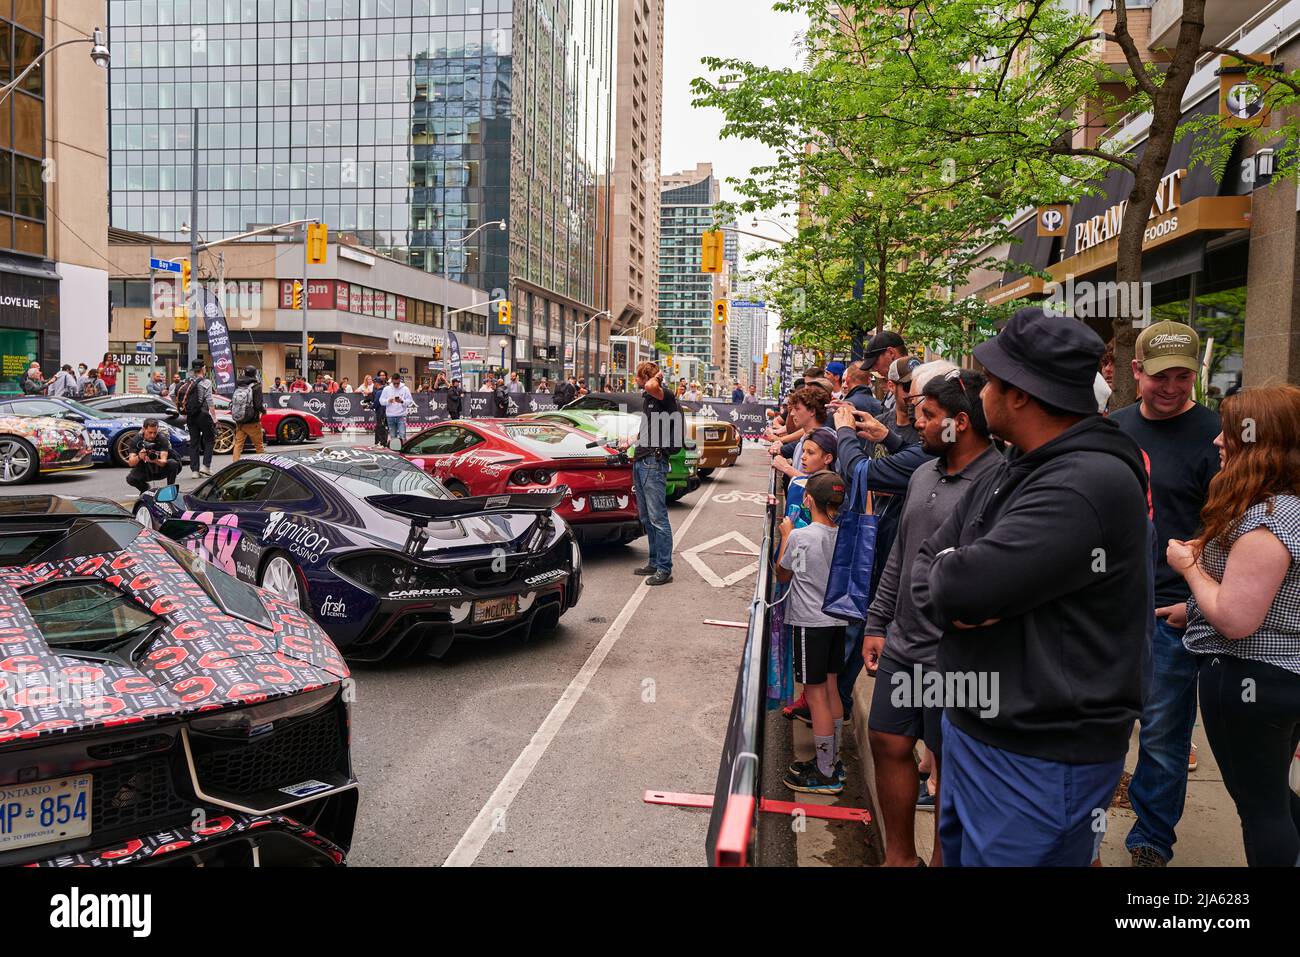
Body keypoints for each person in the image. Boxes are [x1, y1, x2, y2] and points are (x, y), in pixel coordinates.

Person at [914, 306, 1150, 867]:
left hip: (1039, 757)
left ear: (1020, 395)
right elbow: (934, 565)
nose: (982, 392)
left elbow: (960, 588)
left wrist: (968, 581)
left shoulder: (1085, 483)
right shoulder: (1014, 467)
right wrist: (968, 582)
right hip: (977, 731)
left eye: (992, 381)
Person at [863, 368, 1001, 868]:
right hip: (903, 644)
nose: (915, 423)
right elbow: (900, 554)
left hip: (958, 658)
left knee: (949, 767)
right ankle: (900, 858)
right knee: (887, 739)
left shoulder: (999, 482)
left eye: (927, 415)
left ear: (960, 422)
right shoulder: (922, 472)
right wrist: (878, 623)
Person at [1172, 385, 1300, 868]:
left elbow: (1236, 619)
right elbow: (1274, 596)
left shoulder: (1267, 519)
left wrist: (1189, 566)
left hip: (1249, 678)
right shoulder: (1290, 506)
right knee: (1271, 797)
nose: (1218, 442)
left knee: (1261, 810)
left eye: (1231, 432)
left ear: (1261, 441)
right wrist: (1194, 606)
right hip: (1284, 676)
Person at [1111, 320, 1223, 868]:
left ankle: (1151, 841)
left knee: (1163, 737)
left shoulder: (1218, 436)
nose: (1173, 387)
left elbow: (1230, 527)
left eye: (1183, 376)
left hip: (1173, 613)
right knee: (1102, 724)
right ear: (1136, 372)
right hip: (1111, 608)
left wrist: (1196, 602)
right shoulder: (1112, 428)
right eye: (1161, 377)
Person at [778, 470, 849, 795]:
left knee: (816, 694)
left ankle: (825, 773)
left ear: (808, 499)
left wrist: (785, 535)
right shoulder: (843, 534)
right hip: (836, 622)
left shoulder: (802, 536)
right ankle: (832, 760)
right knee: (831, 688)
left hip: (810, 622)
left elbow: (783, 573)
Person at [632, 362, 682, 587]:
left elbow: (653, 384)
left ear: (646, 377)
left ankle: (664, 568)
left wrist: (657, 375)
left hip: (654, 461)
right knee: (646, 518)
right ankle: (653, 562)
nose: (635, 380)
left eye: (638, 376)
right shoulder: (649, 399)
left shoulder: (665, 395)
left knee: (658, 518)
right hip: (642, 459)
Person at [771, 427, 837, 521]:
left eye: (810, 453)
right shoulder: (797, 483)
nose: (803, 457)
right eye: (803, 451)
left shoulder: (835, 491)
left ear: (827, 458)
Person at [177, 360, 216, 477]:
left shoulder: (187, 382)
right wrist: (214, 418)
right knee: (209, 440)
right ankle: (206, 467)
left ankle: (195, 471)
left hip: (190, 416)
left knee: (194, 442)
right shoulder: (206, 382)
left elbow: (174, 394)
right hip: (203, 415)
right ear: (203, 368)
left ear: (193, 370)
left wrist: (184, 412)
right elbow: (209, 401)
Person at [124, 418, 181, 493]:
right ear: (144, 429)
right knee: (131, 479)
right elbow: (131, 463)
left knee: (173, 463)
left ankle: (170, 490)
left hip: (160, 467)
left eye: (155, 432)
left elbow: (163, 461)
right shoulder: (136, 440)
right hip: (145, 469)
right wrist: (139, 457)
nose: (152, 435)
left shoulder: (162, 439)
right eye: (150, 432)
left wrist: (155, 460)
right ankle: (144, 488)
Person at [230, 366, 266, 462]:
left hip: (240, 420)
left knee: (238, 445)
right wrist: (264, 411)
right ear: (254, 374)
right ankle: (262, 467)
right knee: (259, 446)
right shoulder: (256, 386)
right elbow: (258, 405)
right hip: (252, 421)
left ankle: (235, 466)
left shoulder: (239, 385)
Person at [380, 372, 412, 447]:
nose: (396, 385)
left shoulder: (405, 389)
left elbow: (410, 401)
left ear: (400, 381)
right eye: (394, 383)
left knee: (402, 435)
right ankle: (394, 452)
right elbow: (381, 401)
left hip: (401, 415)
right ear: (392, 381)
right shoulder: (386, 389)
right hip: (390, 416)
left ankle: (404, 451)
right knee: (393, 436)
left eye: (397, 383)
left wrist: (402, 401)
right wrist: (388, 401)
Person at [371, 370, 390, 447]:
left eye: (374, 383)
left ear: (376, 383)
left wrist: (370, 407)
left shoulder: (379, 392)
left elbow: (376, 403)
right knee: (383, 427)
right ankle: (381, 442)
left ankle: (382, 443)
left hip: (381, 411)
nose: (373, 384)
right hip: (385, 411)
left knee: (381, 427)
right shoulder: (386, 389)